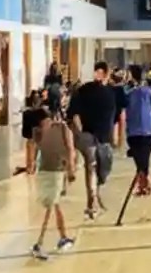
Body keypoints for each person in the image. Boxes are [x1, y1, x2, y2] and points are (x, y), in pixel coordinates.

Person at [67, 61, 119, 219]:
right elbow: (114, 118)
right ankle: (93, 201)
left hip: (90, 136)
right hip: (101, 137)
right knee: (97, 168)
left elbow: (73, 114)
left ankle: (93, 199)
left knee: (93, 168)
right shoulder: (109, 93)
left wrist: (80, 131)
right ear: (105, 73)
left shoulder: (84, 90)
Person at [30, 107, 77, 260]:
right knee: (52, 205)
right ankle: (41, 242)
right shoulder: (37, 132)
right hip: (45, 172)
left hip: (57, 172)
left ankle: (57, 238)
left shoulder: (62, 128)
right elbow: (34, 148)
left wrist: (71, 169)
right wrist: (30, 164)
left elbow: (70, 149)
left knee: (53, 205)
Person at [125, 65, 151, 195]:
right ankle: (144, 184)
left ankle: (145, 184)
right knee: (142, 161)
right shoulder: (146, 93)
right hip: (144, 131)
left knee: (141, 161)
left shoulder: (130, 94)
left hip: (137, 132)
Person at [20, 90, 49, 176]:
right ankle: (32, 166)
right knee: (34, 150)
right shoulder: (42, 112)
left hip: (31, 135)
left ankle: (30, 167)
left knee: (31, 149)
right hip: (37, 135)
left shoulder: (27, 112)